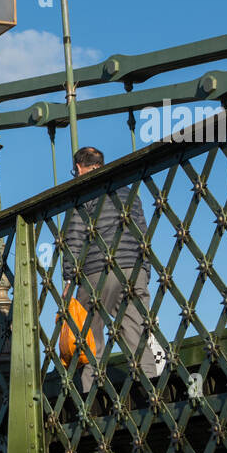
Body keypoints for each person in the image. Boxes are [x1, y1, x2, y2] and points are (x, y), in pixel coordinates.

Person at [61, 147, 158, 392]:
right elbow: (142, 231)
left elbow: (73, 238)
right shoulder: (129, 193)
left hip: (96, 272)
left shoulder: (82, 193)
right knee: (135, 331)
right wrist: (144, 269)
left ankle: (91, 395)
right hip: (132, 268)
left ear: (80, 167)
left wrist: (68, 280)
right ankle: (149, 388)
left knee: (90, 337)